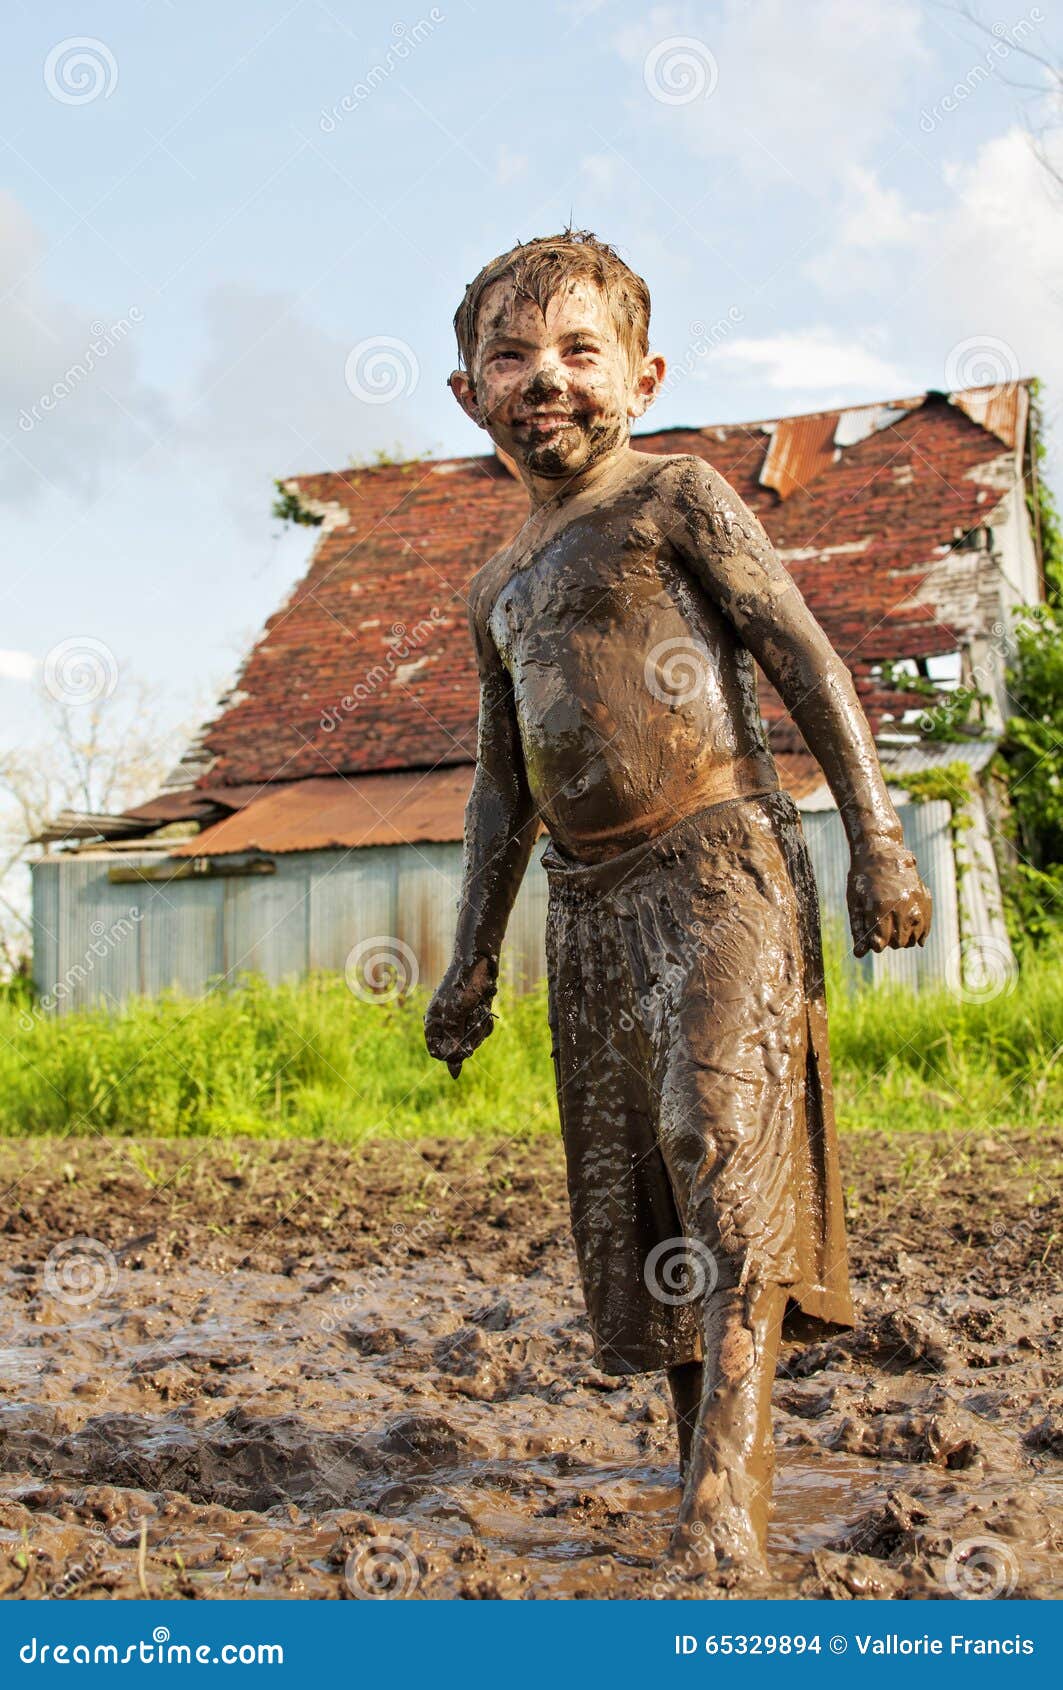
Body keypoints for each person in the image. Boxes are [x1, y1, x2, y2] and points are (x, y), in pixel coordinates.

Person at [423, 231, 931, 1574]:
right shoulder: (496, 584)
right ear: (466, 391)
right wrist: (471, 956)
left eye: (579, 351)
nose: (548, 379)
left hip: (718, 858)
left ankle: (725, 1490)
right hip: (588, 912)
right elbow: (499, 782)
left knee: (718, 1128)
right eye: (513, 356)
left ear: (643, 374)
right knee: (644, 1188)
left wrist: (876, 836)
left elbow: (805, 655)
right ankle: (718, 1456)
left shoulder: (680, 497)